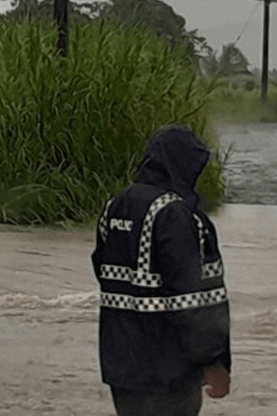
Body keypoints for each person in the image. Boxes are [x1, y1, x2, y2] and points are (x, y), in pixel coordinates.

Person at [92, 124, 232, 416]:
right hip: (169, 371)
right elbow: (191, 299)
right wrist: (214, 362)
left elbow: (102, 270)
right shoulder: (176, 215)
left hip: (121, 365)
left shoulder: (114, 206)